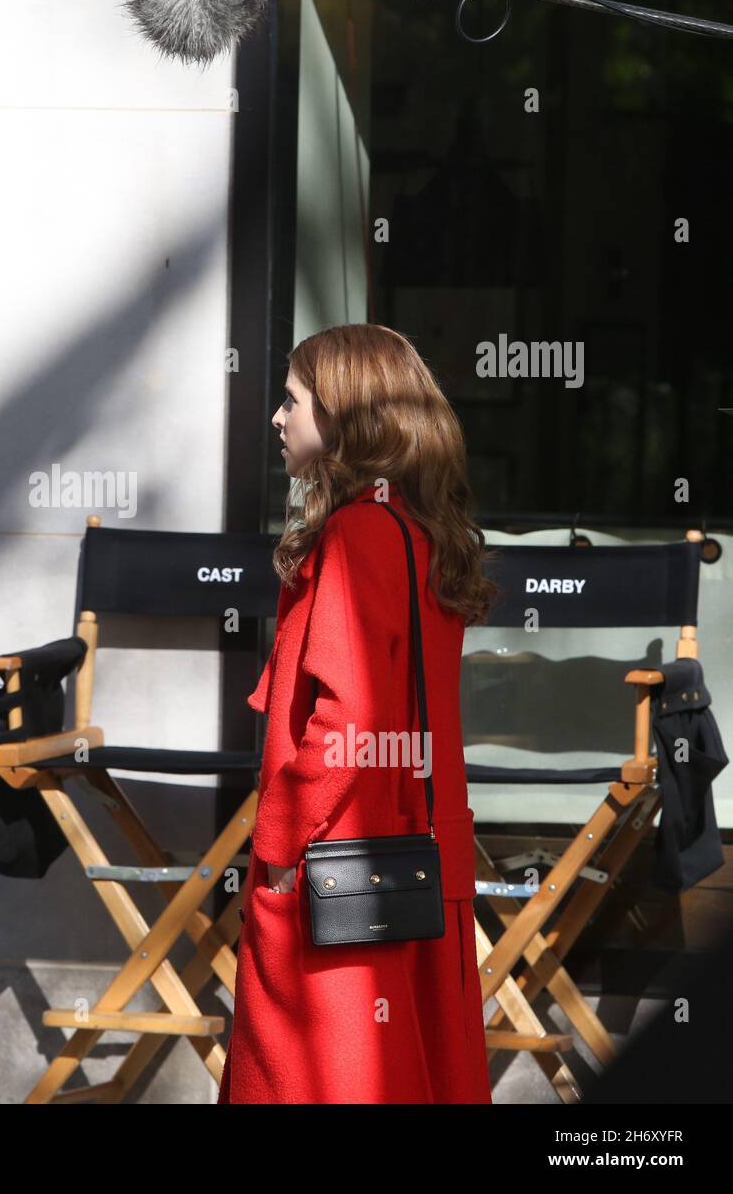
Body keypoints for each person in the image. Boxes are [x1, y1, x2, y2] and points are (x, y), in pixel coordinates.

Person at [218, 324, 496, 1104]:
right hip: (416, 860)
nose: (277, 418)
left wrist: (273, 843)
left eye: (293, 400)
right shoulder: (422, 535)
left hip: (336, 873)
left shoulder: (354, 536)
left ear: (344, 419)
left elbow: (345, 725)